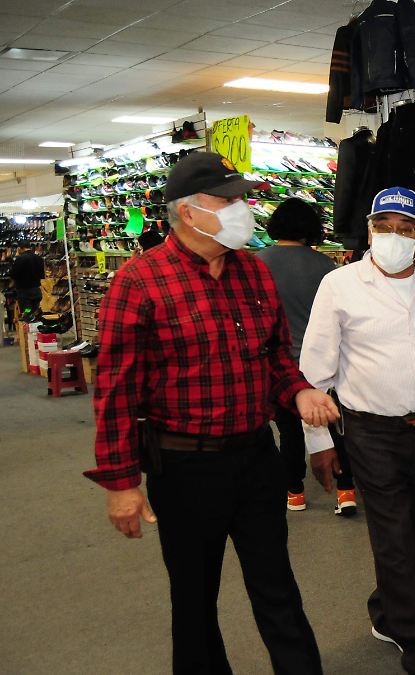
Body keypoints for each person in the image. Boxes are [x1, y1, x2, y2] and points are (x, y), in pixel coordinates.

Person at [87, 151, 339, 674]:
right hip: (185, 467)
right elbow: (115, 392)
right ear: (188, 211)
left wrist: (298, 392)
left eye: (241, 198)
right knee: (194, 598)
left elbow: (275, 355)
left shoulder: (254, 272)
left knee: (277, 586)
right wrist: (120, 483)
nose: (242, 209)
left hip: (256, 457)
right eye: (227, 200)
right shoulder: (139, 282)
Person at [301, 186, 415, 675]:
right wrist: (318, 442)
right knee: (392, 531)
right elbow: (314, 374)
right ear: (368, 230)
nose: (393, 236)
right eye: (383, 226)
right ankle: (412, 631)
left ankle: (386, 608)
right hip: (369, 431)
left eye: (406, 229)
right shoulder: (339, 286)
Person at [257, 198, 357, 516]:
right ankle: (346, 491)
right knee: (333, 424)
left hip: (281, 365)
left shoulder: (257, 264)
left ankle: (295, 493)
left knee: (289, 432)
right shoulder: (325, 267)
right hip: (323, 361)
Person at [9, 244, 44, 318]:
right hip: (36, 289)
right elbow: (42, 275)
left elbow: (13, 274)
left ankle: (27, 317)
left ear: (20, 248)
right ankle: (34, 317)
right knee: (34, 309)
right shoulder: (38, 258)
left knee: (27, 309)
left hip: (24, 291)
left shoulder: (20, 259)